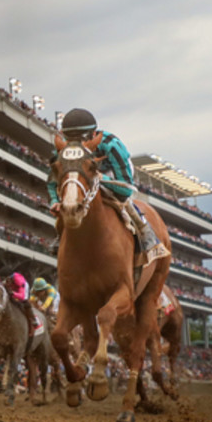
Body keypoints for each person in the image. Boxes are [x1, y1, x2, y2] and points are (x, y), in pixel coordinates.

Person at [47, 108, 168, 291]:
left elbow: (125, 189)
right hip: (81, 179)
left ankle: (145, 233)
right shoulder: (64, 152)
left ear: (94, 134)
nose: (77, 145)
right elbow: (52, 182)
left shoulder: (112, 145)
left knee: (123, 203)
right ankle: (59, 237)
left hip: (113, 175)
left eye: (82, 139)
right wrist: (55, 201)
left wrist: (101, 180)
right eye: (71, 140)